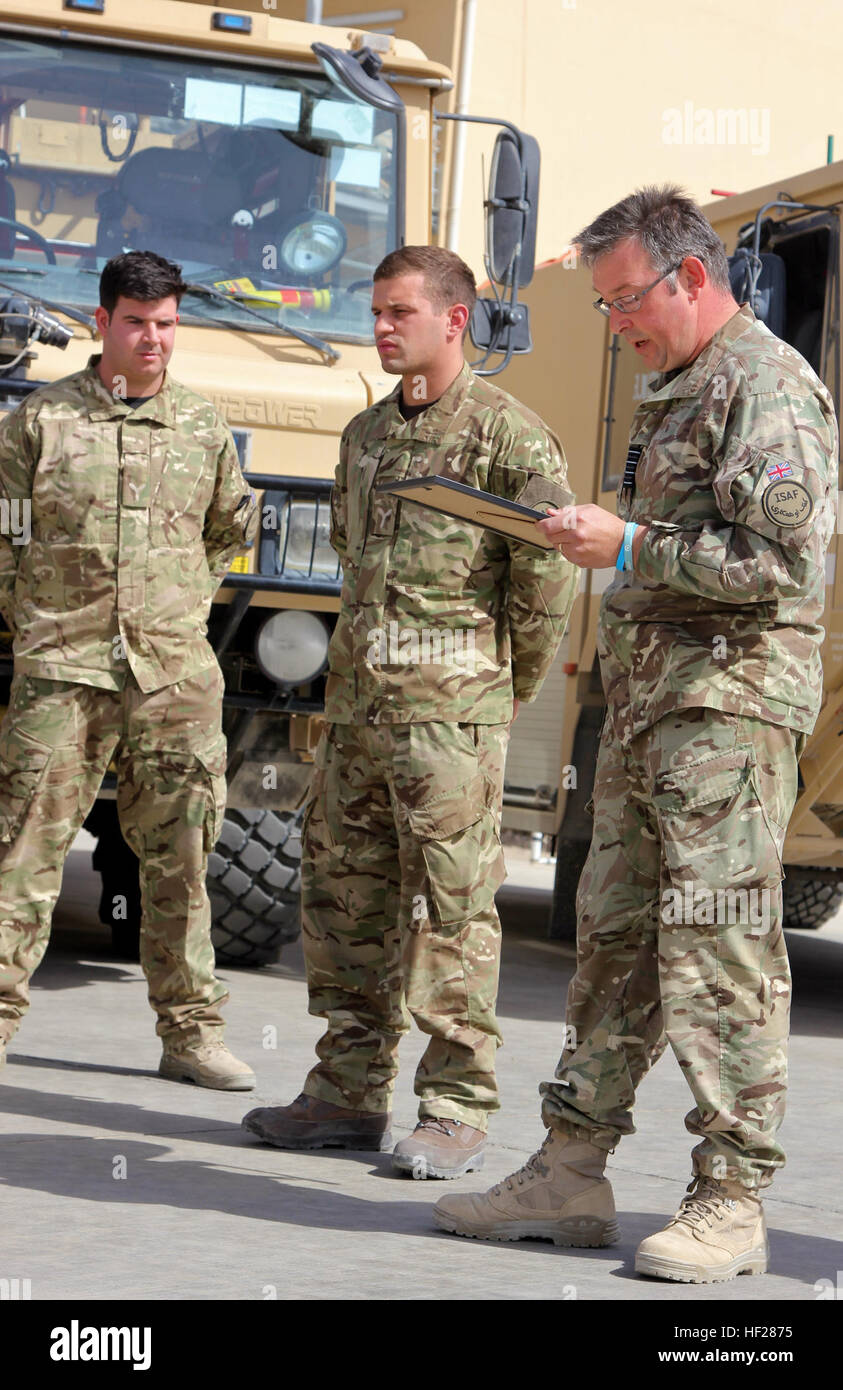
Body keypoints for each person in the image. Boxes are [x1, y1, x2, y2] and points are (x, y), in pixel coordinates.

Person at [432, 186, 838, 1277]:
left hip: (728, 715)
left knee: (718, 948)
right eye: (608, 304)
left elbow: (787, 566)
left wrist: (629, 543)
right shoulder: (680, 386)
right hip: (652, 710)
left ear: (692, 277)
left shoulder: (767, 385)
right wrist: (608, 546)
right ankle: (571, 1166)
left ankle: (733, 1197)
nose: (617, 323)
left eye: (626, 301)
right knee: (612, 946)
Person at [242, 245, 578, 1176]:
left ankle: (456, 1106)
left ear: (454, 319)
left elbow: (543, 592)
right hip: (357, 716)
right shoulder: (365, 437)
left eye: (400, 313)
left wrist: (489, 698)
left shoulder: (510, 440)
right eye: (377, 312)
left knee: (452, 912)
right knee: (347, 902)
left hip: (449, 723)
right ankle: (345, 1093)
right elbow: (356, 570)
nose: (382, 328)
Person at [0, 249, 258, 1089]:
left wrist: (172, 615)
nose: (155, 340)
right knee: (24, 851)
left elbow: (225, 537)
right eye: (139, 324)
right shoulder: (40, 423)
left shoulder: (202, 428)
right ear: (103, 323)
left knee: (182, 857)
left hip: (172, 679)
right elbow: (5, 541)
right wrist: (43, 625)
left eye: (169, 325)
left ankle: (191, 1035)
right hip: (62, 670)